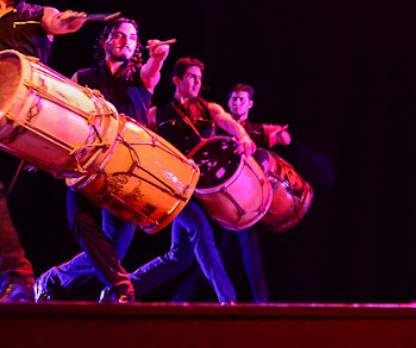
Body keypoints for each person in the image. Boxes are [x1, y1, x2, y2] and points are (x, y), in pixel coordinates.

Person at [33, 18, 171, 303]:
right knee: (79, 220)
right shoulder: (82, 78)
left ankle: (54, 279)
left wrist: (158, 56)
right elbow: (63, 120)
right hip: (86, 167)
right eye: (119, 36)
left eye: (132, 38)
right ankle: (121, 288)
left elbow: (154, 66)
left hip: (128, 175)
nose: (126, 41)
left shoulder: (141, 79)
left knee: (111, 253)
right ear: (105, 40)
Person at [126, 57, 256, 304]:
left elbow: (231, 124)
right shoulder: (157, 114)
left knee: (180, 257)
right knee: (199, 227)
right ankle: (227, 300)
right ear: (177, 80)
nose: (197, 82)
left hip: (201, 189)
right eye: (192, 77)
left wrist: (244, 137)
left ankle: (122, 289)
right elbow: (144, 150)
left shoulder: (210, 109)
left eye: (199, 77)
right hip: (173, 188)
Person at [0, 0, 88, 302]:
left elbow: (50, 19)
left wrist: (61, 23)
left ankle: (16, 276)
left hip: (17, 123)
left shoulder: (28, 16)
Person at [173, 83, 291, 303]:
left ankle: (183, 296)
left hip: (241, 202)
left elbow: (286, 140)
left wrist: (278, 133)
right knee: (234, 245)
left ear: (250, 104)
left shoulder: (254, 130)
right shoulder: (217, 126)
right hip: (216, 199)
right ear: (228, 103)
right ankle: (261, 301)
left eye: (242, 99)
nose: (237, 103)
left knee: (221, 257)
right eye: (234, 99)